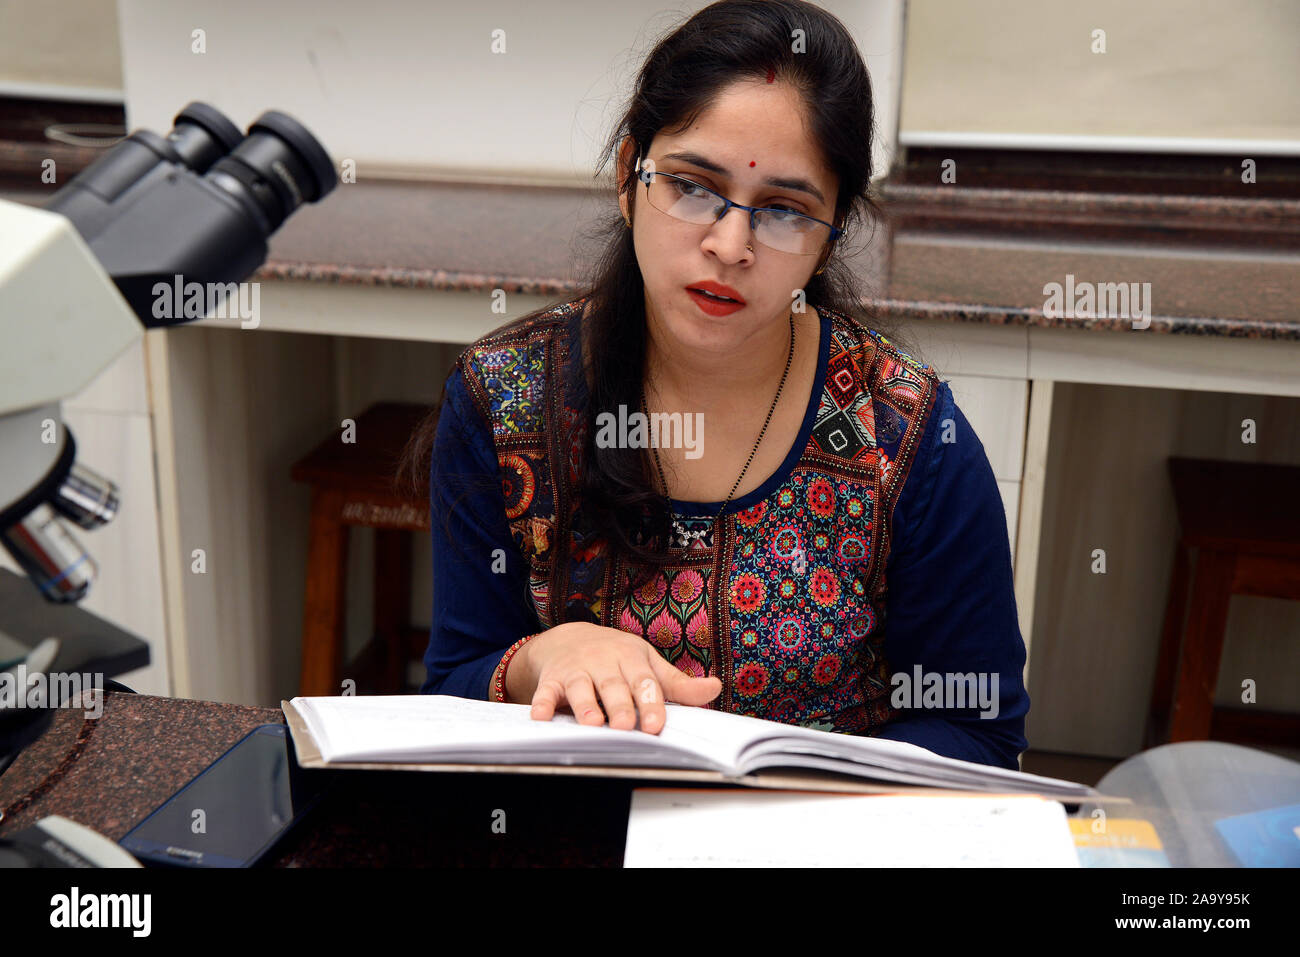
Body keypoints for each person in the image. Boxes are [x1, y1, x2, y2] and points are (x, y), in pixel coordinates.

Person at [401, 0, 1029, 769]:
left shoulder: (905, 433)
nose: (730, 245)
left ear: (832, 236)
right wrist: (540, 657)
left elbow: (977, 728)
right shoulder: (505, 401)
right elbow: (452, 690)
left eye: (785, 211)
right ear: (631, 177)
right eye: (694, 186)